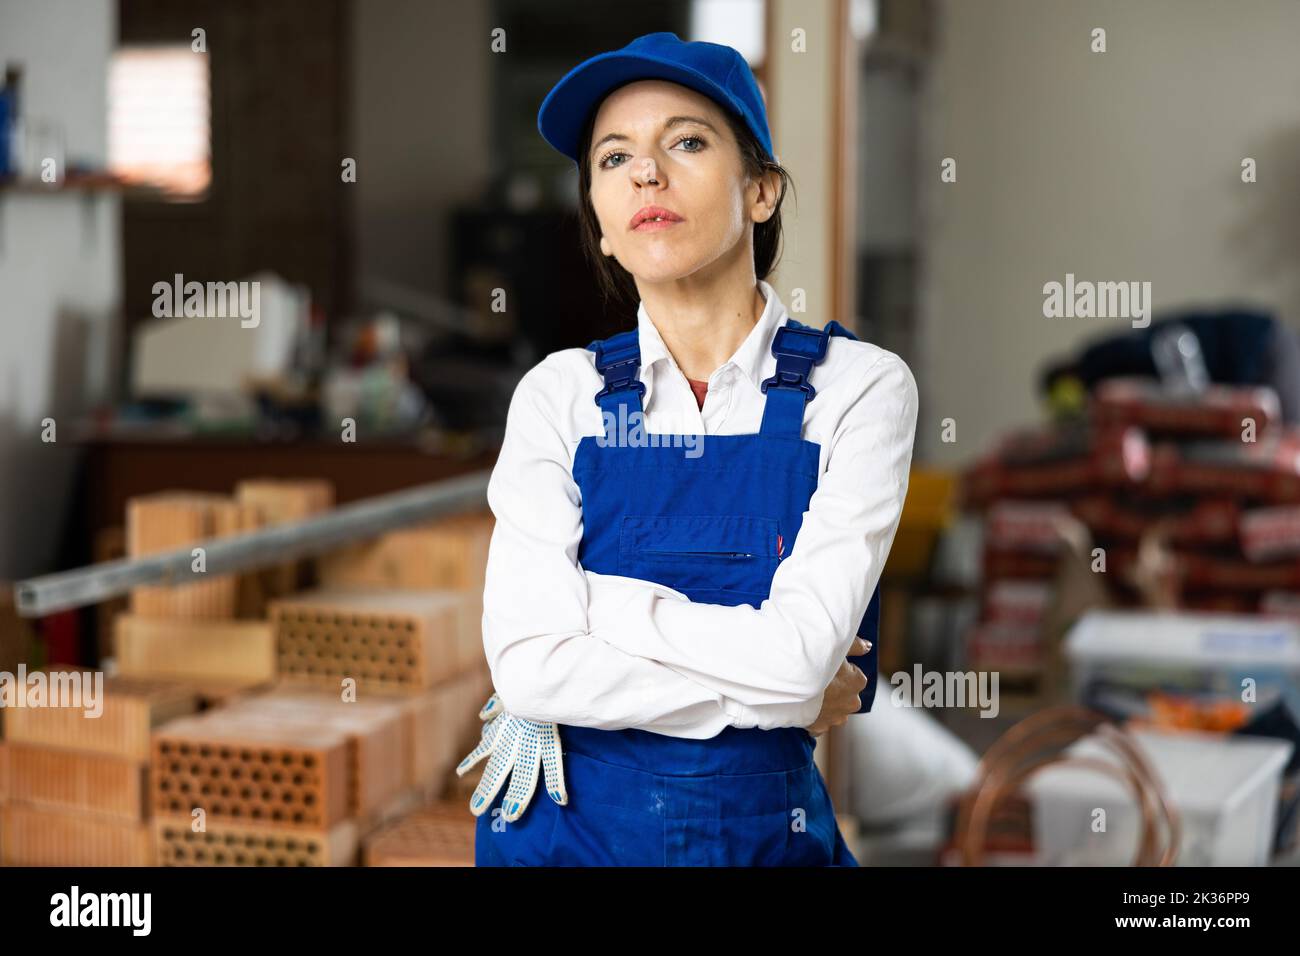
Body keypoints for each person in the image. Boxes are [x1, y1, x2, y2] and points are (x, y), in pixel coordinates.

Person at [457, 32, 918, 866]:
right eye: (614, 157)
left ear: (762, 191)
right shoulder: (559, 397)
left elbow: (800, 663)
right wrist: (774, 693)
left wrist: (600, 609)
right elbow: (528, 670)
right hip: (563, 843)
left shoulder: (859, 389)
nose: (646, 174)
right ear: (600, 224)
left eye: (689, 142)